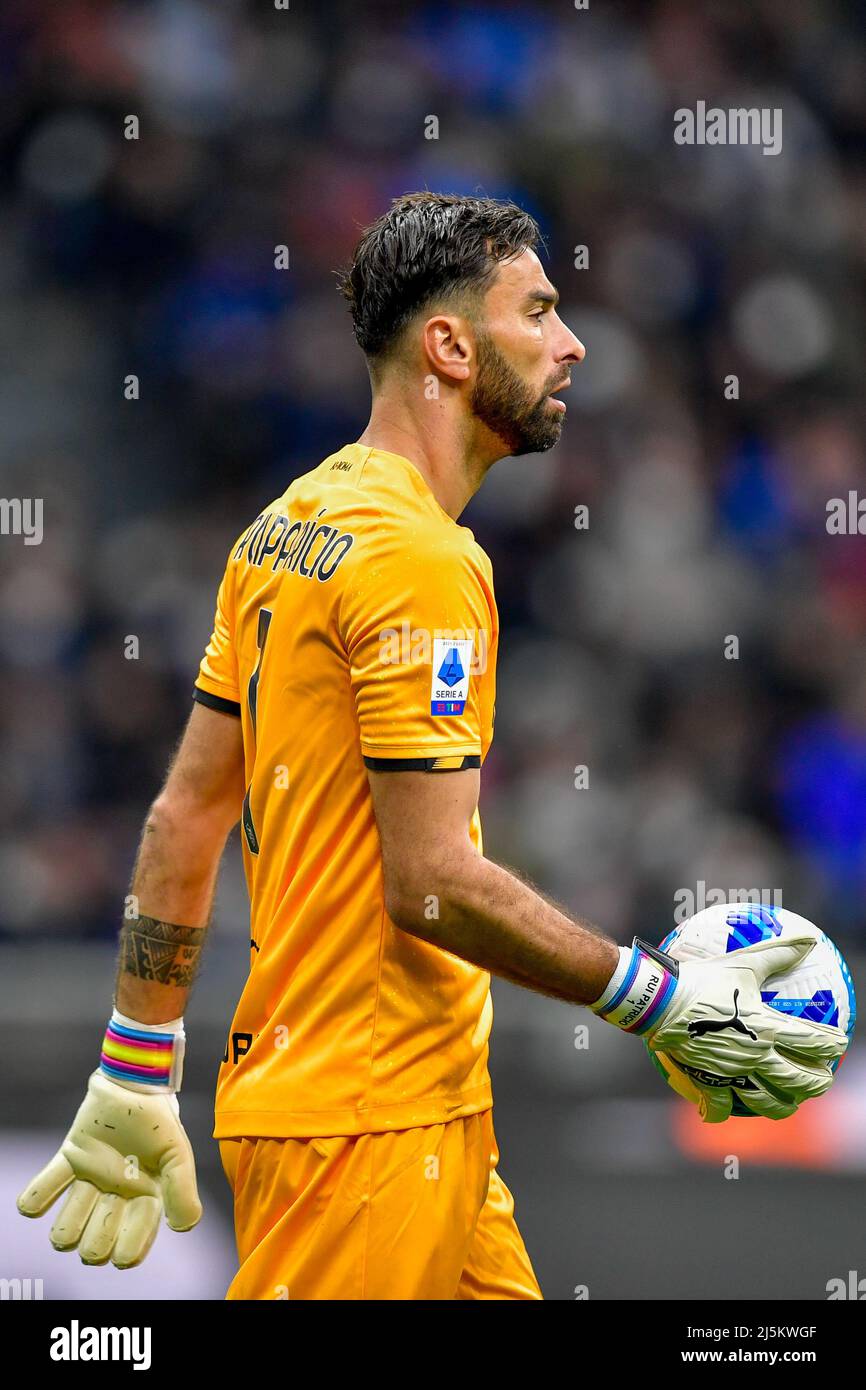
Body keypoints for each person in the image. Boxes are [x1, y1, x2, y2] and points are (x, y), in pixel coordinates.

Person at [16, 193, 845, 1300]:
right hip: (362, 1123)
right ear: (448, 347)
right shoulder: (419, 561)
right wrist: (654, 996)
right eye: (539, 311)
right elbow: (432, 887)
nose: (571, 342)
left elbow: (185, 816)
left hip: (420, 1111)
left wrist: (134, 1067)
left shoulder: (286, 525)